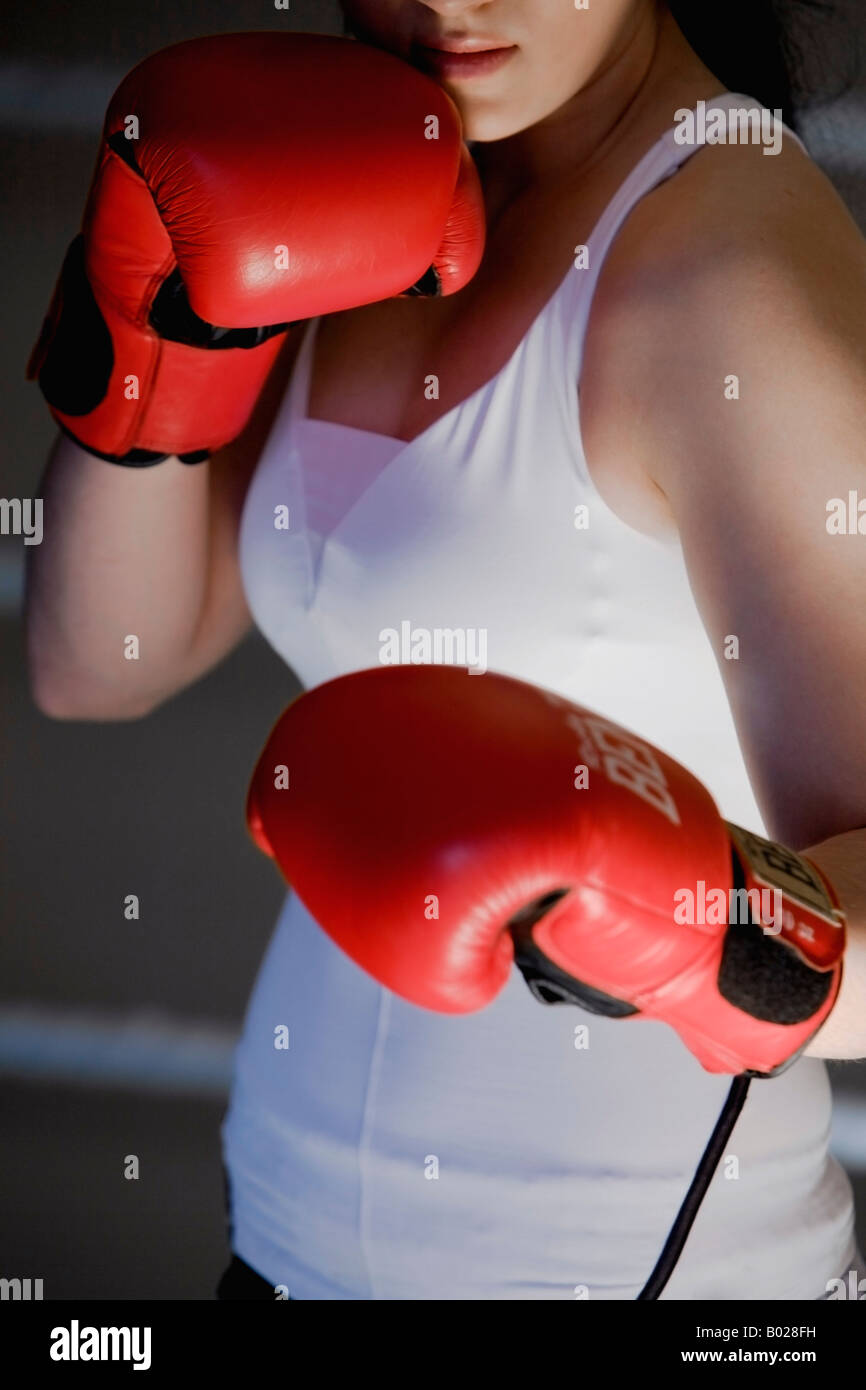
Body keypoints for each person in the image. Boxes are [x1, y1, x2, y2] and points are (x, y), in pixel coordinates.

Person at [26, 1, 866, 1300]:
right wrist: (145, 334)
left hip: (651, 1277)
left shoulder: (729, 275)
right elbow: (97, 664)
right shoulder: (350, 176)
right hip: (283, 1242)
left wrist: (674, 917)